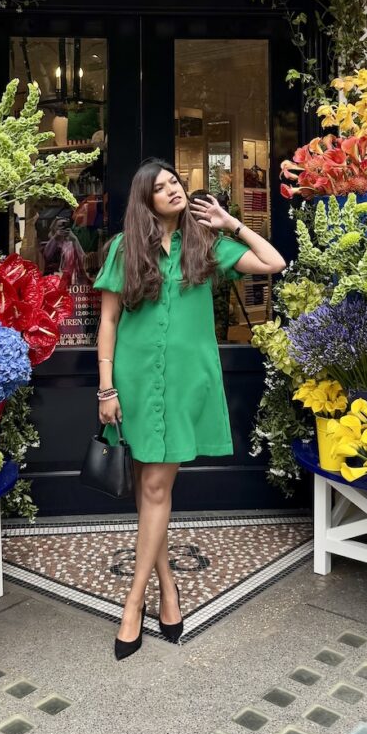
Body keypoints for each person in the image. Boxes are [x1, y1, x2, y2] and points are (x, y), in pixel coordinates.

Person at [94, 157, 286, 660]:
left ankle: (133, 602)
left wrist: (230, 223)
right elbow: (108, 322)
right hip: (134, 381)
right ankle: (168, 587)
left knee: (156, 487)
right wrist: (106, 388)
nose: (173, 190)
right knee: (147, 487)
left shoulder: (206, 245)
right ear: (146, 201)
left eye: (175, 182)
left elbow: (273, 263)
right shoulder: (123, 248)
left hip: (183, 385)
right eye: (160, 188)